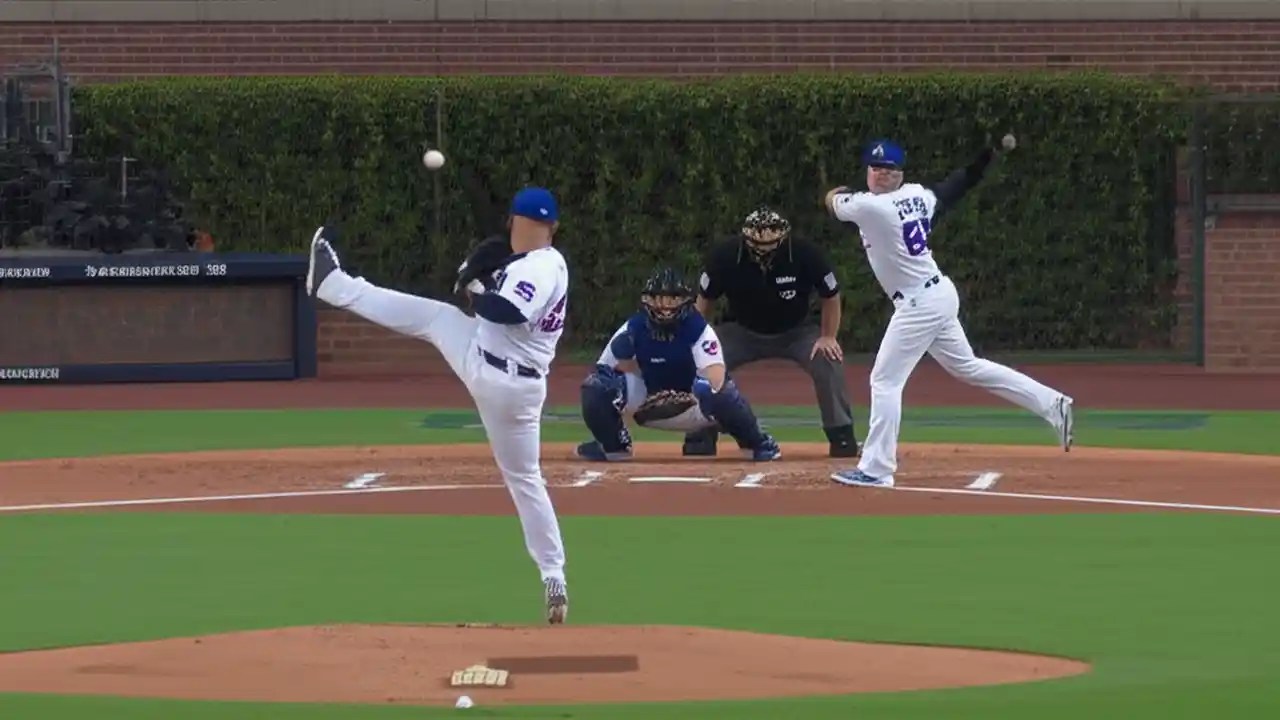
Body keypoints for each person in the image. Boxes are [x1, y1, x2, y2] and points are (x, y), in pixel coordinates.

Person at [305, 186, 572, 624]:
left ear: (531, 225)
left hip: (502, 382)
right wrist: (474, 285)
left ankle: (335, 286)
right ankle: (553, 575)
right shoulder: (533, 259)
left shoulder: (545, 266)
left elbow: (507, 311)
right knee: (525, 479)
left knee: (435, 320)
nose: (527, 230)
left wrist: (477, 289)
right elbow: (491, 296)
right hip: (510, 382)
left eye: (530, 224)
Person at [823, 137, 1074, 488]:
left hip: (918, 304)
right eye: (876, 168)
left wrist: (838, 191)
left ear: (899, 175)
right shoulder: (917, 196)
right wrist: (987, 156)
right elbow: (958, 185)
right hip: (937, 294)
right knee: (968, 367)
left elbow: (832, 202)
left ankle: (877, 469)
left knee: (885, 380)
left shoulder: (870, 207)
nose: (881, 174)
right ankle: (1053, 404)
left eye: (888, 169)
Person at [682, 206, 859, 458]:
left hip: (796, 332)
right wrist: (699, 338)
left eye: (772, 242)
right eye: (755, 242)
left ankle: (841, 434)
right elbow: (704, 300)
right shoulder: (725, 255)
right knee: (702, 361)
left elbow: (830, 295)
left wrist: (828, 336)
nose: (763, 249)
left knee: (827, 358)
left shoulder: (806, 253)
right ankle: (700, 433)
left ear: (784, 237)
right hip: (742, 331)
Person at [575, 266, 782, 462]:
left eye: (672, 298)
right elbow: (603, 371)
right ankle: (613, 446)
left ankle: (756, 443)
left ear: (684, 301)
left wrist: (689, 397)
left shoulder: (698, 328)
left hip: (694, 405)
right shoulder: (633, 328)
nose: (665, 306)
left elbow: (717, 377)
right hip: (648, 403)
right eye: (659, 298)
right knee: (596, 386)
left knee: (721, 391)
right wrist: (640, 388)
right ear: (648, 300)